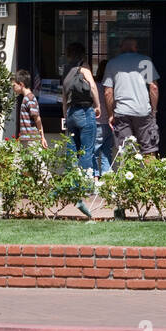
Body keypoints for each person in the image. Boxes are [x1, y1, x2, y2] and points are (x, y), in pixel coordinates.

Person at [104, 36, 161, 156]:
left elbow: (108, 92)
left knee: (126, 150)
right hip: (143, 111)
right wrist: (154, 110)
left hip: (122, 111)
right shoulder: (145, 61)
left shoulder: (112, 63)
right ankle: (150, 175)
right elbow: (154, 88)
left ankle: (128, 174)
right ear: (136, 48)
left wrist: (110, 115)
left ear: (121, 48)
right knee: (149, 150)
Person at [61, 42, 99, 219]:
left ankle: (71, 185)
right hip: (85, 111)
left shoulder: (66, 71)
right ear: (82, 55)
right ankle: (85, 186)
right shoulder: (84, 69)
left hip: (71, 112)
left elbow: (63, 96)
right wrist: (97, 106)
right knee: (86, 150)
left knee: (72, 150)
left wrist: (66, 115)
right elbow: (92, 87)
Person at [12, 70, 47, 148]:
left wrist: (42, 137)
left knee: (32, 159)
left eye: (14, 85)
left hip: (31, 139)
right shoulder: (26, 98)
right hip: (26, 139)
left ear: (21, 84)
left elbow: (37, 119)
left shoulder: (29, 98)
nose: (13, 88)